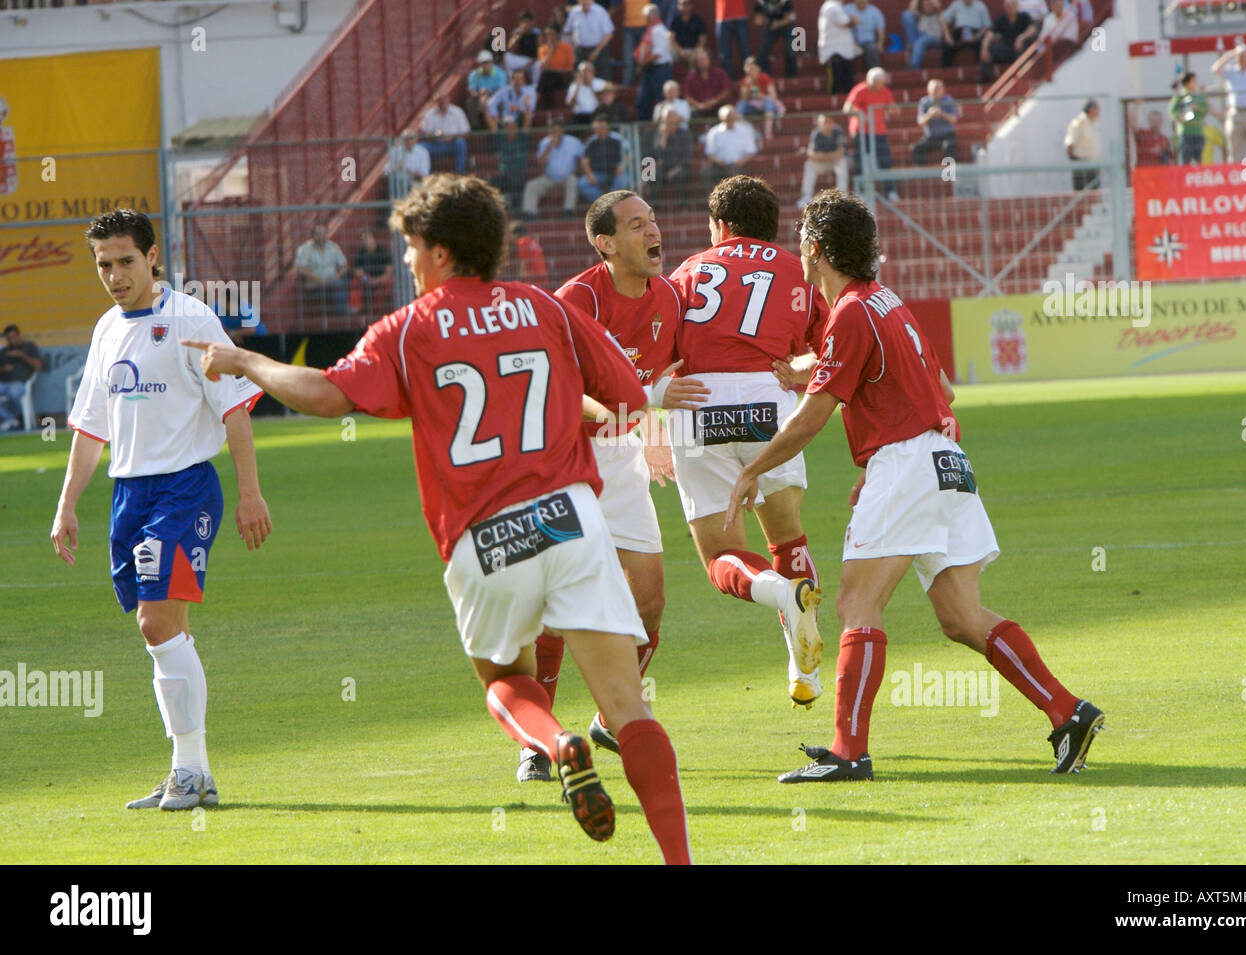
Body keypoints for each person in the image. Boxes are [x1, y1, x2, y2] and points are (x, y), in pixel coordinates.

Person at [182, 174, 693, 864]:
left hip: (485, 536)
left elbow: (330, 395)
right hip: (572, 517)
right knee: (629, 706)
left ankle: (556, 744)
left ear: (442, 253)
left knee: (506, 681)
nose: (406, 262)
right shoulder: (545, 307)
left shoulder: (413, 327)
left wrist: (242, 358)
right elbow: (629, 398)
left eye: (411, 248)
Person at [726, 189, 1105, 782]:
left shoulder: (850, 312)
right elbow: (944, 392)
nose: (800, 247)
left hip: (907, 464)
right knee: (960, 614)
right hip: (946, 462)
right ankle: (1068, 712)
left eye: (803, 238)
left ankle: (849, 754)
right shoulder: (885, 302)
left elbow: (811, 416)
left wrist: (752, 470)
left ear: (817, 248)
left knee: (857, 605)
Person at [51, 208, 271, 811]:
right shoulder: (106, 330)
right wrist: (67, 505)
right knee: (166, 632)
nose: (115, 275)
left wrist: (250, 492)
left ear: (153, 258)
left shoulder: (191, 318)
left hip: (184, 488)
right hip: (130, 495)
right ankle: (189, 770)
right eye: (104, 264)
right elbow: (90, 427)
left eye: (125, 261)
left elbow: (234, 409)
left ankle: (193, 771)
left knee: (156, 626)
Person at [516, 190, 705, 782]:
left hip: (621, 462)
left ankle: (608, 718)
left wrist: (657, 435)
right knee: (554, 613)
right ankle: (537, 743)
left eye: (652, 219)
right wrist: (647, 403)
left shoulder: (669, 298)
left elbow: (678, 372)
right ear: (604, 242)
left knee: (649, 601)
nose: (652, 231)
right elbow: (562, 393)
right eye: (635, 225)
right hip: (563, 463)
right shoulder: (577, 300)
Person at [666, 175, 829, 708]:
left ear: (720, 226)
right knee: (787, 539)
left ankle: (782, 594)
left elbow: (660, 345)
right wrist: (798, 375)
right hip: (769, 396)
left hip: (699, 399)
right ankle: (805, 674)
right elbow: (830, 353)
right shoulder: (793, 270)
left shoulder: (690, 271)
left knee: (723, 555)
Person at [843, 67, 898, 200]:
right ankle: (862, 191)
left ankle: (890, 191)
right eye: (879, 83)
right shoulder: (860, 90)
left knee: (886, 161)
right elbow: (847, 109)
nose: (881, 86)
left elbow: (894, 109)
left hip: (879, 131)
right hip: (861, 132)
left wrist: (892, 109)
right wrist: (859, 113)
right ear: (871, 81)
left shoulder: (884, 91)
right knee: (861, 162)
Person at [522, 123, 586, 217]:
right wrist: (549, 147)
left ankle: (568, 211)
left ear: (562, 131)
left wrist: (577, 171)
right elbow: (541, 163)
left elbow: (583, 159)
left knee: (573, 180)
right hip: (549, 177)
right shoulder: (544, 142)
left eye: (557, 131)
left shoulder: (573, 142)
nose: (555, 134)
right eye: (552, 131)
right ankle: (529, 213)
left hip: (567, 177)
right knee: (531, 186)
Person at [294, 224, 350, 317]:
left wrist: (338, 276)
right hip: (315, 283)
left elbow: (344, 265)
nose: (323, 236)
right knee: (338, 285)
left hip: (333, 279)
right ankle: (342, 315)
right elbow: (300, 269)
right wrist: (318, 279)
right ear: (313, 236)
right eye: (319, 233)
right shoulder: (304, 249)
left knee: (341, 282)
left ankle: (341, 315)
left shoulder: (333, 246)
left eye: (325, 233)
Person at [643, 109, 695, 201]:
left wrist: (675, 170)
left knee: (681, 175)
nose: (669, 120)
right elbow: (650, 156)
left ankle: (682, 206)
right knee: (650, 172)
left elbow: (686, 156)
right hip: (659, 167)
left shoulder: (685, 133)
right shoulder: (653, 134)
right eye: (667, 118)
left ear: (677, 119)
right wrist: (663, 139)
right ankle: (654, 206)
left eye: (672, 117)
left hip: (678, 167)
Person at [799, 114, 849, 207]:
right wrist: (829, 156)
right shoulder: (816, 133)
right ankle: (806, 196)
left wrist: (823, 156)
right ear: (819, 124)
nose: (828, 125)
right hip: (823, 163)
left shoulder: (838, 131)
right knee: (809, 165)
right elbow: (811, 154)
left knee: (842, 163)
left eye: (830, 122)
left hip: (835, 162)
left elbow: (841, 152)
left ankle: (843, 196)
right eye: (825, 122)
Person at [703, 105, 760, 189]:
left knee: (734, 171)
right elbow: (709, 152)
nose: (730, 118)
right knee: (705, 171)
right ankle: (711, 199)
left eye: (732, 115)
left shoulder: (744, 131)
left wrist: (742, 161)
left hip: (738, 165)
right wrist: (717, 160)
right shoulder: (714, 132)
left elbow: (751, 151)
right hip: (719, 166)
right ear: (721, 117)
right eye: (728, 116)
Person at [635, 5, 675, 122]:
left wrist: (642, 64)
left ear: (650, 16)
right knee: (643, 101)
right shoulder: (652, 29)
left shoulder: (659, 30)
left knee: (662, 101)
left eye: (645, 16)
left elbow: (658, 53)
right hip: (650, 69)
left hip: (660, 70)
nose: (644, 19)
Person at [978, 0, 1035, 82]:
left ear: (1017, 6)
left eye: (1012, 5)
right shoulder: (1001, 19)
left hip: (1019, 48)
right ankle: (984, 77)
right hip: (1006, 49)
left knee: (1024, 48)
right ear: (1004, 7)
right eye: (1007, 5)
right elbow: (990, 34)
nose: (1010, 7)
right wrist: (984, 48)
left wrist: (1021, 38)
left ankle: (1022, 76)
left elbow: (1032, 29)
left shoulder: (1024, 16)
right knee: (989, 49)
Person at [0, 323, 42, 431]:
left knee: (14, 393)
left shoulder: (29, 347)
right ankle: (10, 418)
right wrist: (4, 369)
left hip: (20, 382)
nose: (12, 340)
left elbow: (38, 365)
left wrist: (21, 355)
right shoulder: (4, 352)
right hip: (4, 383)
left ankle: (12, 419)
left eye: (13, 336)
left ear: (19, 335)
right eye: (9, 338)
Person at [912, 77, 960, 166]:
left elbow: (954, 119)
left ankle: (949, 175)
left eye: (938, 89)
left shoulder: (948, 100)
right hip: (931, 137)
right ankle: (923, 175)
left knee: (949, 147)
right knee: (915, 149)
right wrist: (929, 115)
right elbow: (920, 122)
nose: (936, 92)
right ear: (928, 90)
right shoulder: (924, 102)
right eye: (934, 90)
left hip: (948, 136)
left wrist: (941, 114)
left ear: (943, 90)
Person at [419, 93, 471, 174]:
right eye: (439, 100)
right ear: (435, 101)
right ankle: (425, 175)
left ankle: (459, 173)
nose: (442, 102)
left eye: (444, 99)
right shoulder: (429, 114)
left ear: (448, 99)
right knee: (421, 147)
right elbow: (425, 133)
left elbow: (466, 131)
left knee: (461, 143)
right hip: (435, 145)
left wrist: (452, 137)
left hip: (452, 144)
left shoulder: (458, 111)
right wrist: (434, 136)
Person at [578, 118, 628, 203]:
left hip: (615, 172)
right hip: (597, 173)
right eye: (597, 128)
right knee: (583, 183)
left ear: (608, 128)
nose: (600, 130)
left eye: (602, 128)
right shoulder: (591, 143)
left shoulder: (617, 141)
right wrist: (589, 174)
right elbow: (585, 161)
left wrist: (622, 166)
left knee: (624, 180)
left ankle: (613, 203)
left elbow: (628, 155)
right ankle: (603, 203)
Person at [736, 56, 785, 141]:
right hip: (752, 107)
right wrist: (748, 88)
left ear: (758, 69)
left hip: (766, 106)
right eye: (748, 69)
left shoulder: (764, 77)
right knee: (741, 105)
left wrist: (761, 96)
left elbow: (773, 96)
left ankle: (767, 132)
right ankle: (739, 132)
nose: (750, 71)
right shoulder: (745, 81)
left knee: (768, 102)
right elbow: (743, 99)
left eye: (753, 68)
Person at [565, 0, 617, 80]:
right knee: (580, 78)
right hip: (580, 51)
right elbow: (569, 31)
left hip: (599, 51)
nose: (585, 1)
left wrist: (596, 51)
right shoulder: (574, 12)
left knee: (601, 79)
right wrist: (574, 47)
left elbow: (609, 34)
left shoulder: (600, 12)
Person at [1168, 73, 1210, 166]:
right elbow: (1172, 111)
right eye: (1193, 81)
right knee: (1186, 158)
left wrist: (1197, 107)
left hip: (1198, 132)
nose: (1195, 84)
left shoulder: (1199, 96)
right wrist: (1180, 117)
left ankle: (1197, 177)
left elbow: (1206, 109)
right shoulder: (1180, 96)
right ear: (1187, 83)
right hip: (1186, 132)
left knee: (1199, 159)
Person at [818, 0, 859, 95]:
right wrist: (854, 20)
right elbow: (844, 23)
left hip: (842, 51)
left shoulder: (837, 6)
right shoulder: (832, 6)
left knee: (847, 79)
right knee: (834, 81)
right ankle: (830, 102)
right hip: (834, 51)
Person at [351, 227, 394, 318]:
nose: (366, 241)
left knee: (388, 284)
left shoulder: (383, 252)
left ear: (373, 238)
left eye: (368, 238)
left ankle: (378, 314)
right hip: (367, 279)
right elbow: (357, 271)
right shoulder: (360, 254)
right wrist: (365, 278)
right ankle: (356, 308)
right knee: (355, 282)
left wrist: (375, 281)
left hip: (381, 279)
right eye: (363, 239)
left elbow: (389, 273)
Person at [492, 114, 531, 209]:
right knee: (491, 183)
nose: (510, 128)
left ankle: (516, 209)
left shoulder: (522, 138)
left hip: (519, 174)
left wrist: (527, 108)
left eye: (512, 126)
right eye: (508, 126)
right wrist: (485, 108)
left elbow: (527, 124)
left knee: (515, 182)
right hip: (505, 174)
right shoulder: (500, 138)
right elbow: (492, 125)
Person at [683, 48, 732, 118]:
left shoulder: (720, 73)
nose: (702, 62)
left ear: (709, 59)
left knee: (725, 113)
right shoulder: (691, 77)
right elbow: (687, 96)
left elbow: (726, 91)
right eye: (699, 60)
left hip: (717, 106)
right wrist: (699, 105)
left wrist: (714, 101)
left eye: (704, 59)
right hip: (698, 108)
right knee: (691, 114)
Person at [754, 0, 798, 78]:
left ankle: (791, 77)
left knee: (791, 50)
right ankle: (766, 77)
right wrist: (762, 20)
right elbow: (758, 19)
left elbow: (790, 17)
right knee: (762, 52)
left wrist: (778, 24)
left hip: (786, 24)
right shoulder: (761, 1)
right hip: (771, 25)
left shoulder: (784, 1)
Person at [1064, 98, 1101, 191]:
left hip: (1093, 164)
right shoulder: (1078, 123)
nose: (1098, 111)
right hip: (1082, 165)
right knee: (1081, 195)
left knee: (1093, 194)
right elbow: (1070, 145)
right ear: (1091, 110)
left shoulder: (1094, 122)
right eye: (1096, 109)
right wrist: (1077, 163)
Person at [941, 0, 991, 67]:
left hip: (976, 33)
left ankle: (983, 74)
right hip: (959, 32)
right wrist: (947, 35)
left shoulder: (980, 6)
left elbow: (987, 26)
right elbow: (943, 18)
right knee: (946, 46)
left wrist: (977, 36)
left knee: (984, 47)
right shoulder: (956, 4)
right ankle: (946, 72)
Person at [536, 26, 577, 109]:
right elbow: (542, 67)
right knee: (546, 77)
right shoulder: (543, 49)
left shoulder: (567, 47)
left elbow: (570, 68)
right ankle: (546, 108)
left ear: (557, 35)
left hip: (564, 76)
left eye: (552, 34)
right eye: (547, 35)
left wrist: (557, 71)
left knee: (547, 76)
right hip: (550, 78)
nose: (549, 37)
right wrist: (550, 51)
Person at [467, 52, 510, 130]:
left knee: (491, 102)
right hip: (480, 97)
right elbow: (472, 91)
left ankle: (498, 125)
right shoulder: (475, 74)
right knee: (470, 102)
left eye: (487, 62)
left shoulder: (500, 73)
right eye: (483, 63)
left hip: (496, 96)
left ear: (492, 62)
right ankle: (476, 127)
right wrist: (480, 94)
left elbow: (502, 91)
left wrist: (489, 93)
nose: (485, 65)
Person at [387, 130, 432, 198]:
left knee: (418, 185)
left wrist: (411, 172)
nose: (409, 141)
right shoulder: (395, 152)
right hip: (399, 182)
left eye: (411, 138)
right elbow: (387, 171)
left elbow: (425, 173)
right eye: (406, 139)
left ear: (415, 140)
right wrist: (396, 166)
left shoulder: (423, 152)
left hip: (416, 181)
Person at [902, 0, 945, 70]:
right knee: (907, 14)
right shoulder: (920, 15)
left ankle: (913, 67)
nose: (927, 5)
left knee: (920, 42)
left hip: (933, 38)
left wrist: (931, 2)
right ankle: (912, 45)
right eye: (925, 3)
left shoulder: (938, 14)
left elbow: (938, 6)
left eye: (929, 3)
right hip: (919, 36)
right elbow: (911, 10)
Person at [716, 0, 751, 78]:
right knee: (724, 54)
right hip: (723, 17)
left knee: (745, 51)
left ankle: (749, 80)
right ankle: (726, 81)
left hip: (740, 16)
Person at [566, 60, 609, 125]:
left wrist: (591, 85)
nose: (584, 74)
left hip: (597, 115)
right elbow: (569, 104)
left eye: (587, 71)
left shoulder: (601, 83)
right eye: (582, 71)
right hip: (579, 116)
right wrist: (577, 87)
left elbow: (604, 102)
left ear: (593, 72)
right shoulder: (574, 85)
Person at [849, 0, 887, 72]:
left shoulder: (874, 11)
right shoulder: (847, 9)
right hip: (850, 42)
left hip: (868, 42)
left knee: (872, 49)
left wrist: (880, 43)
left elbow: (880, 30)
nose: (862, 1)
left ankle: (876, 75)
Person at [503, 10, 542, 76]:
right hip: (522, 60)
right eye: (522, 22)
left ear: (532, 22)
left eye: (526, 21)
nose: (524, 24)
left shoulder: (537, 34)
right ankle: (511, 81)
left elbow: (541, 53)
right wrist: (519, 35)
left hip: (533, 61)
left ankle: (535, 85)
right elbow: (509, 49)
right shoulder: (517, 32)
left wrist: (531, 63)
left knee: (539, 64)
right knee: (506, 57)